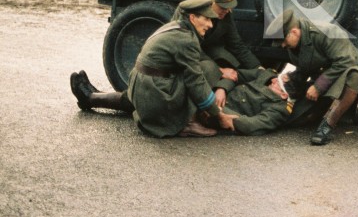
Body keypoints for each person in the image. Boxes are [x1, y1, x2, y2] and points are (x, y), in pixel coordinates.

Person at [71, 0, 238, 138]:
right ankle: (187, 123)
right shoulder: (186, 39)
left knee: (139, 96)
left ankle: (90, 97)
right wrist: (218, 114)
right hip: (153, 94)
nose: (210, 25)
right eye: (206, 19)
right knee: (206, 70)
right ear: (193, 18)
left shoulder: (174, 26)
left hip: (141, 87)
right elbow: (196, 82)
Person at [71, 65, 295, 137]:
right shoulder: (267, 77)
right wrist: (222, 88)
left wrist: (230, 120)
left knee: (155, 99)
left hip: (207, 113)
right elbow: (235, 75)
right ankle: (94, 96)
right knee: (154, 93)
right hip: (209, 95)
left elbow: (256, 124)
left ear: (284, 94)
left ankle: (91, 98)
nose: (275, 79)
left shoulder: (279, 109)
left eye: (279, 82)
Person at [266, 9, 358, 146]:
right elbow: (306, 67)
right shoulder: (294, 44)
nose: (282, 45)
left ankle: (327, 125)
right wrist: (290, 79)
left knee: (355, 76)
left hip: (352, 69)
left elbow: (346, 61)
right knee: (296, 119)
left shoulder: (326, 32)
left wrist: (318, 86)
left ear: (294, 31)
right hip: (327, 78)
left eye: (283, 41)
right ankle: (346, 111)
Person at [173, 0, 264, 85]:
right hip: (186, 55)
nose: (228, 10)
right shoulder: (188, 12)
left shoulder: (226, 14)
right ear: (210, 2)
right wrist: (220, 70)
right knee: (209, 69)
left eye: (229, 7)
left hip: (209, 51)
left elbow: (236, 44)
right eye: (223, 7)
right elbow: (188, 48)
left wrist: (257, 67)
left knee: (232, 63)